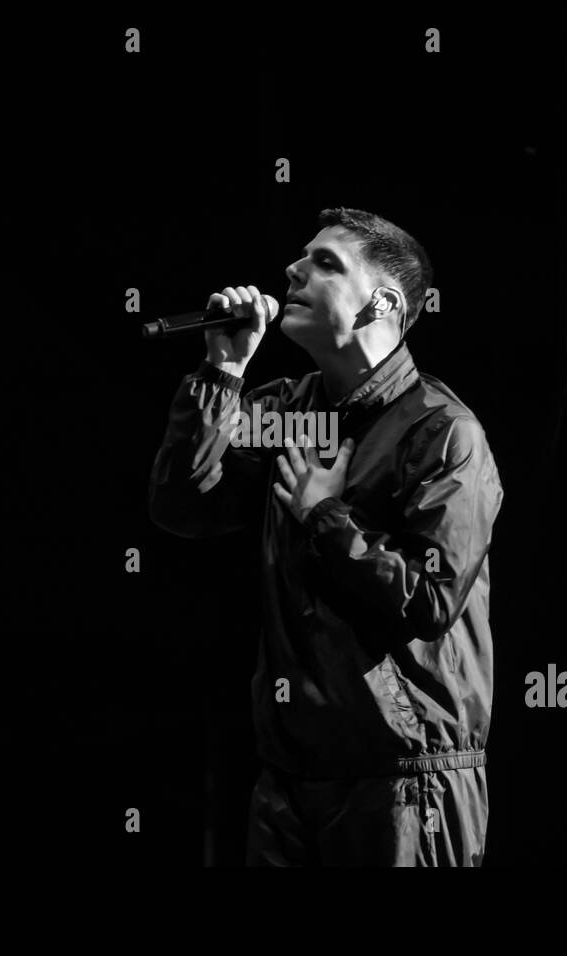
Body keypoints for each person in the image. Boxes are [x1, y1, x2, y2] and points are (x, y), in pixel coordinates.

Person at [149, 207, 504, 866]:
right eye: (301, 257)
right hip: (290, 776)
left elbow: (430, 600)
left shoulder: (442, 430)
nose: (293, 268)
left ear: (382, 304)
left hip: (407, 778)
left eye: (325, 262)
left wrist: (323, 516)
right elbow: (182, 507)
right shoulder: (286, 409)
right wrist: (224, 371)